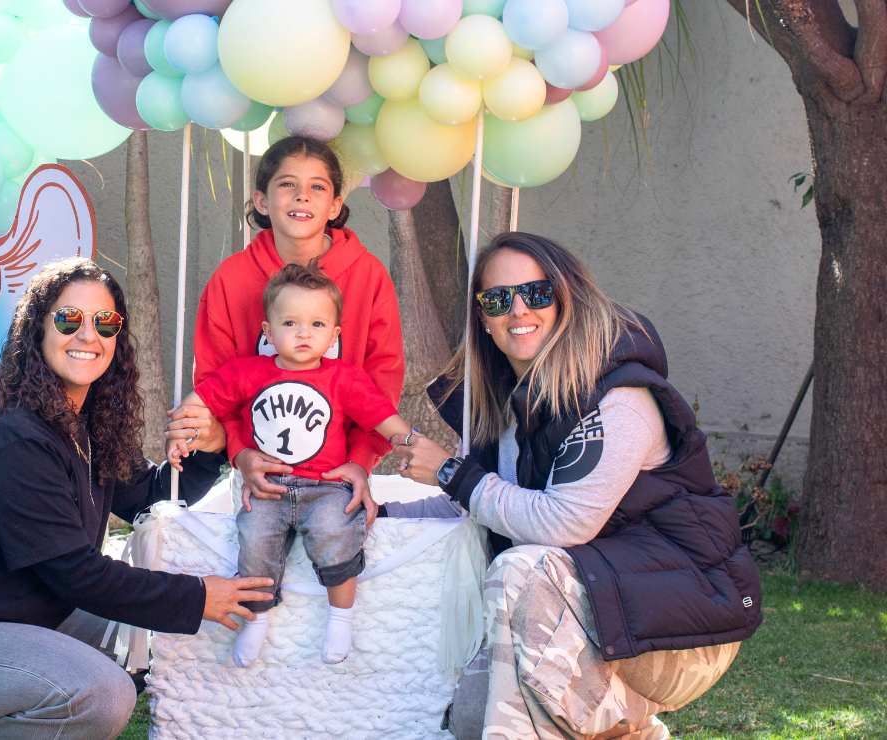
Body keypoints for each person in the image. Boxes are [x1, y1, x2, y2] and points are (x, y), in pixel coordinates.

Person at [0, 258, 273, 740]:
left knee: (131, 643)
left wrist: (210, 448)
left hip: (14, 616)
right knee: (102, 695)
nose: (88, 335)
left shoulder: (84, 422)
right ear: (37, 327)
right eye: (68, 319)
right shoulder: (11, 435)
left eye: (105, 322)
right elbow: (76, 574)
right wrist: (199, 596)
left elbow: (148, 496)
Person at [390, 233, 761, 738]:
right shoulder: (510, 406)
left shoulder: (618, 397)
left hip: (683, 630)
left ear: (566, 298)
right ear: (483, 319)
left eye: (536, 293)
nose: (518, 309)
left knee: (523, 570)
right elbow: (476, 505)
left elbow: (563, 524)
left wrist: (452, 472)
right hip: (602, 610)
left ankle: (617, 721)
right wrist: (377, 511)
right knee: (473, 713)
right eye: (498, 299)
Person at [168, 263, 414, 666]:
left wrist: (411, 444)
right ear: (268, 331)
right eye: (290, 323)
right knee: (254, 536)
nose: (303, 333)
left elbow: (381, 416)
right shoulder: (248, 372)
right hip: (269, 485)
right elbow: (206, 398)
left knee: (337, 529)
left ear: (334, 335)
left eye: (317, 324)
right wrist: (181, 430)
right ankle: (258, 618)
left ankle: (341, 618)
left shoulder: (344, 378)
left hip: (326, 486)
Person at [168, 135, 404, 525]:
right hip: (257, 475)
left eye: (317, 187)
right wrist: (241, 453)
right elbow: (215, 384)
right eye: (287, 184)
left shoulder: (369, 276)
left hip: (340, 475)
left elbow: (381, 384)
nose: (302, 196)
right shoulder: (231, 279)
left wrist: (360, 461)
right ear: (262, 201)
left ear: (335, 205)